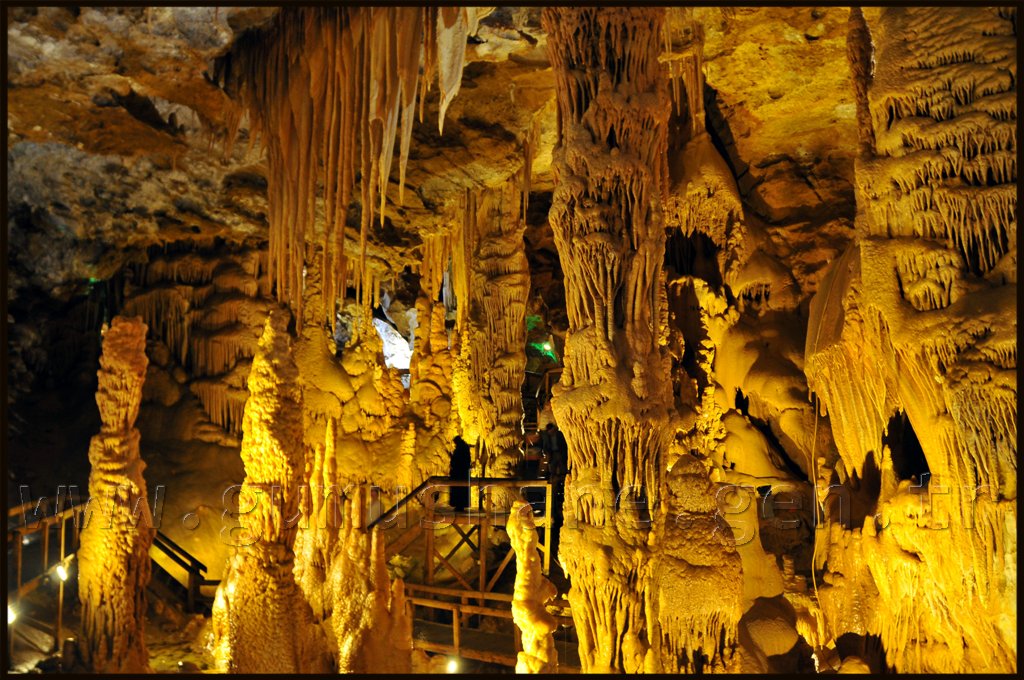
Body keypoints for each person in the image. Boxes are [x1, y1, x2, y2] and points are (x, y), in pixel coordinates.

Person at [449, 436, 471, 512]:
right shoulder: (464, 448)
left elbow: (457, 460)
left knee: (458, 489)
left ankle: (459, 505)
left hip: (459, 472)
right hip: (463, 472)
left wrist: (452, 457)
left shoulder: (460, 449)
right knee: (462, 490)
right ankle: (460, 505)